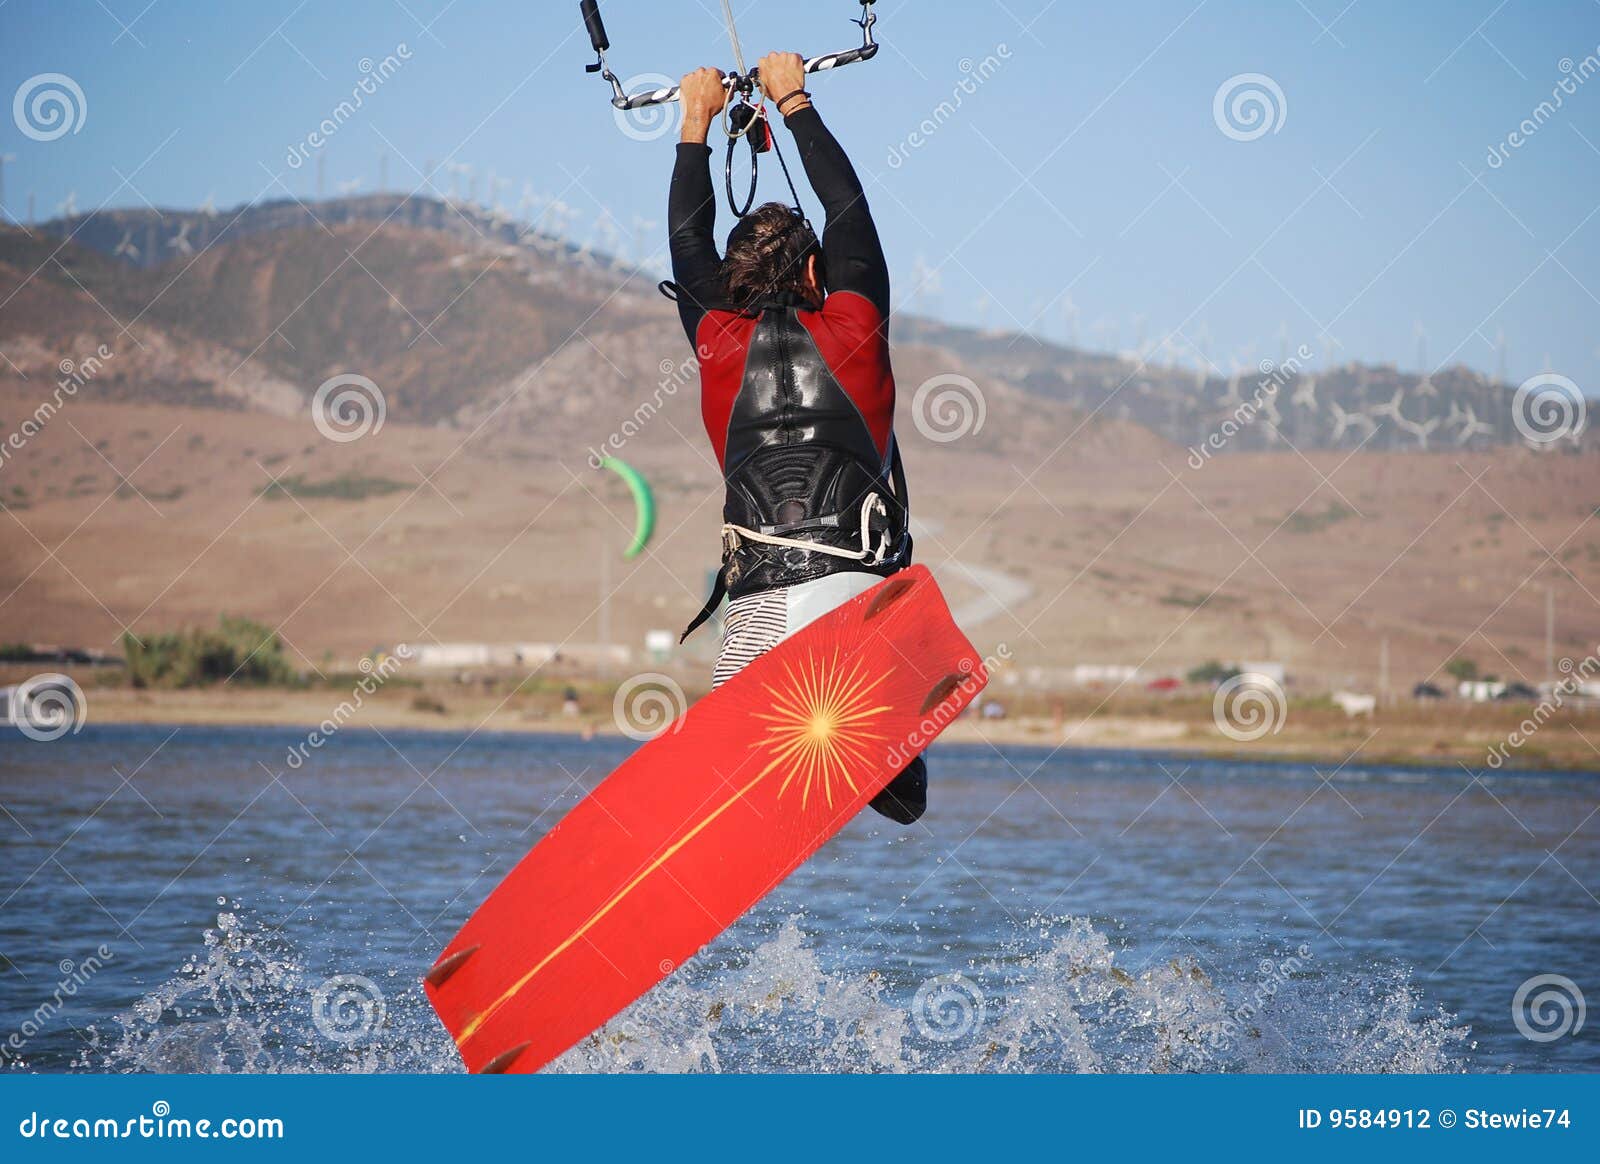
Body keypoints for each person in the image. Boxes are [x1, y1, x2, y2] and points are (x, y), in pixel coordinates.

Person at [665, 53, 925, 824]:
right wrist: (794, 100)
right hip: (859, 603)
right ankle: (867, 751)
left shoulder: (715, 336)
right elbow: (849, 211)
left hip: (762, 610)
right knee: (906, 805)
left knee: (726, 805)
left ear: (730, 285)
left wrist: (695, 121)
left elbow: (688, 237)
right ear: (817, 270)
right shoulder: (855, 326)